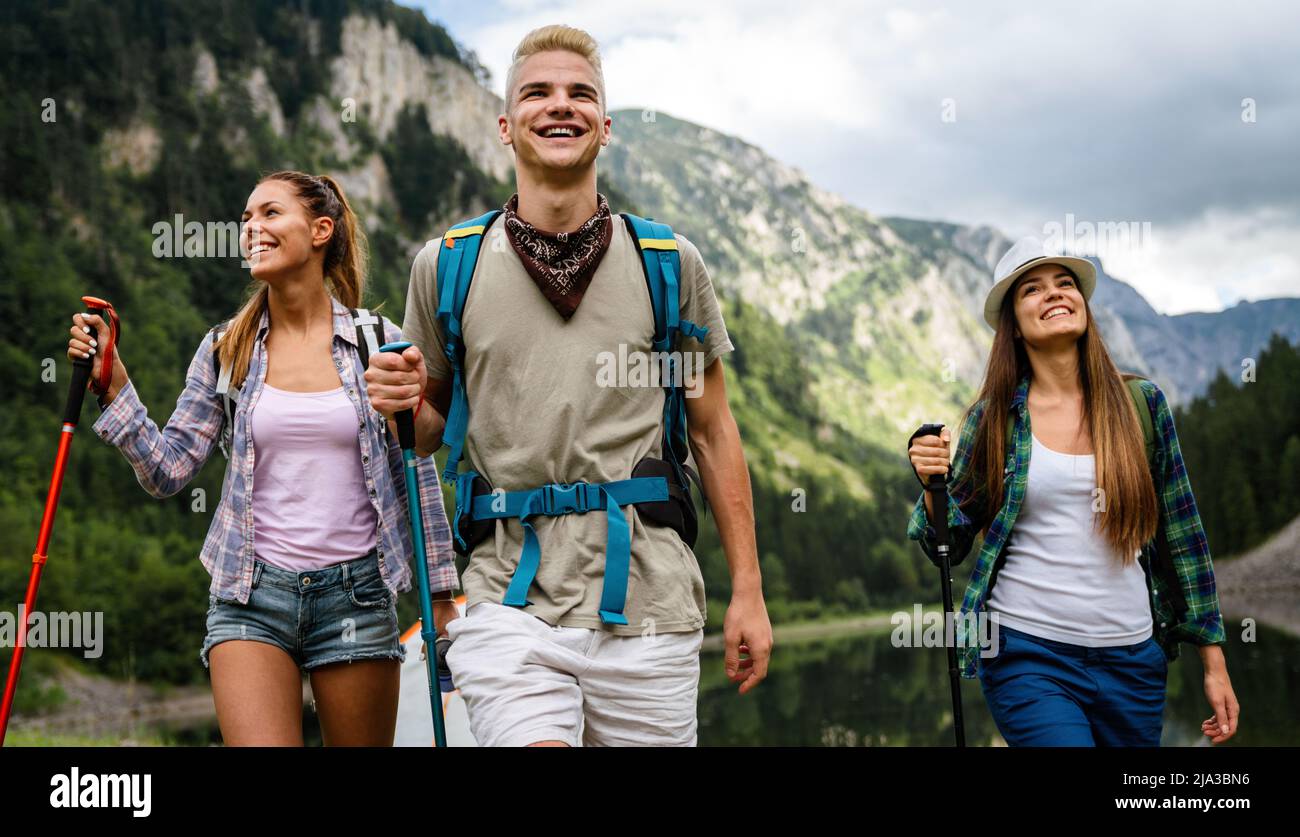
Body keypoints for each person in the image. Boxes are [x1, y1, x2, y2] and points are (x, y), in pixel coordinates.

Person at [365, 25, 773, 747]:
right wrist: (401, 401)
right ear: (505, 124)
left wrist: (749, 589)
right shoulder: (446, 265)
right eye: (538, 92)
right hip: (507, 595)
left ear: (605, 126)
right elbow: (426, 429)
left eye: (580, 93)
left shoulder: (668, 263)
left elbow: (712, 431)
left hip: (650, 599)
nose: (561, 106)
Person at [67, 171, 456, 746]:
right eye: (247, 217)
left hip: (356, 595)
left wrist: (443, 598)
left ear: (321, 230)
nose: (252, 228)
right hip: (249, 596)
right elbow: (168, 469)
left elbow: (417, 474)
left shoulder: (378, 341)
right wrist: (115, 386)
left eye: (270, 214)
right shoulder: (229, 347)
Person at [906, 236, 1240, 747]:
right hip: (1028, 654)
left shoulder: (1140, 405)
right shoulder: (993, 420)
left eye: (1066, 283)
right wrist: (933, 483)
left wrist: (1213, 663)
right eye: (1033, 290)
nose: (1055, 294)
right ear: (1014, 327)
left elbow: (1183, 537)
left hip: (1133, 662)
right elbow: (947, 540)